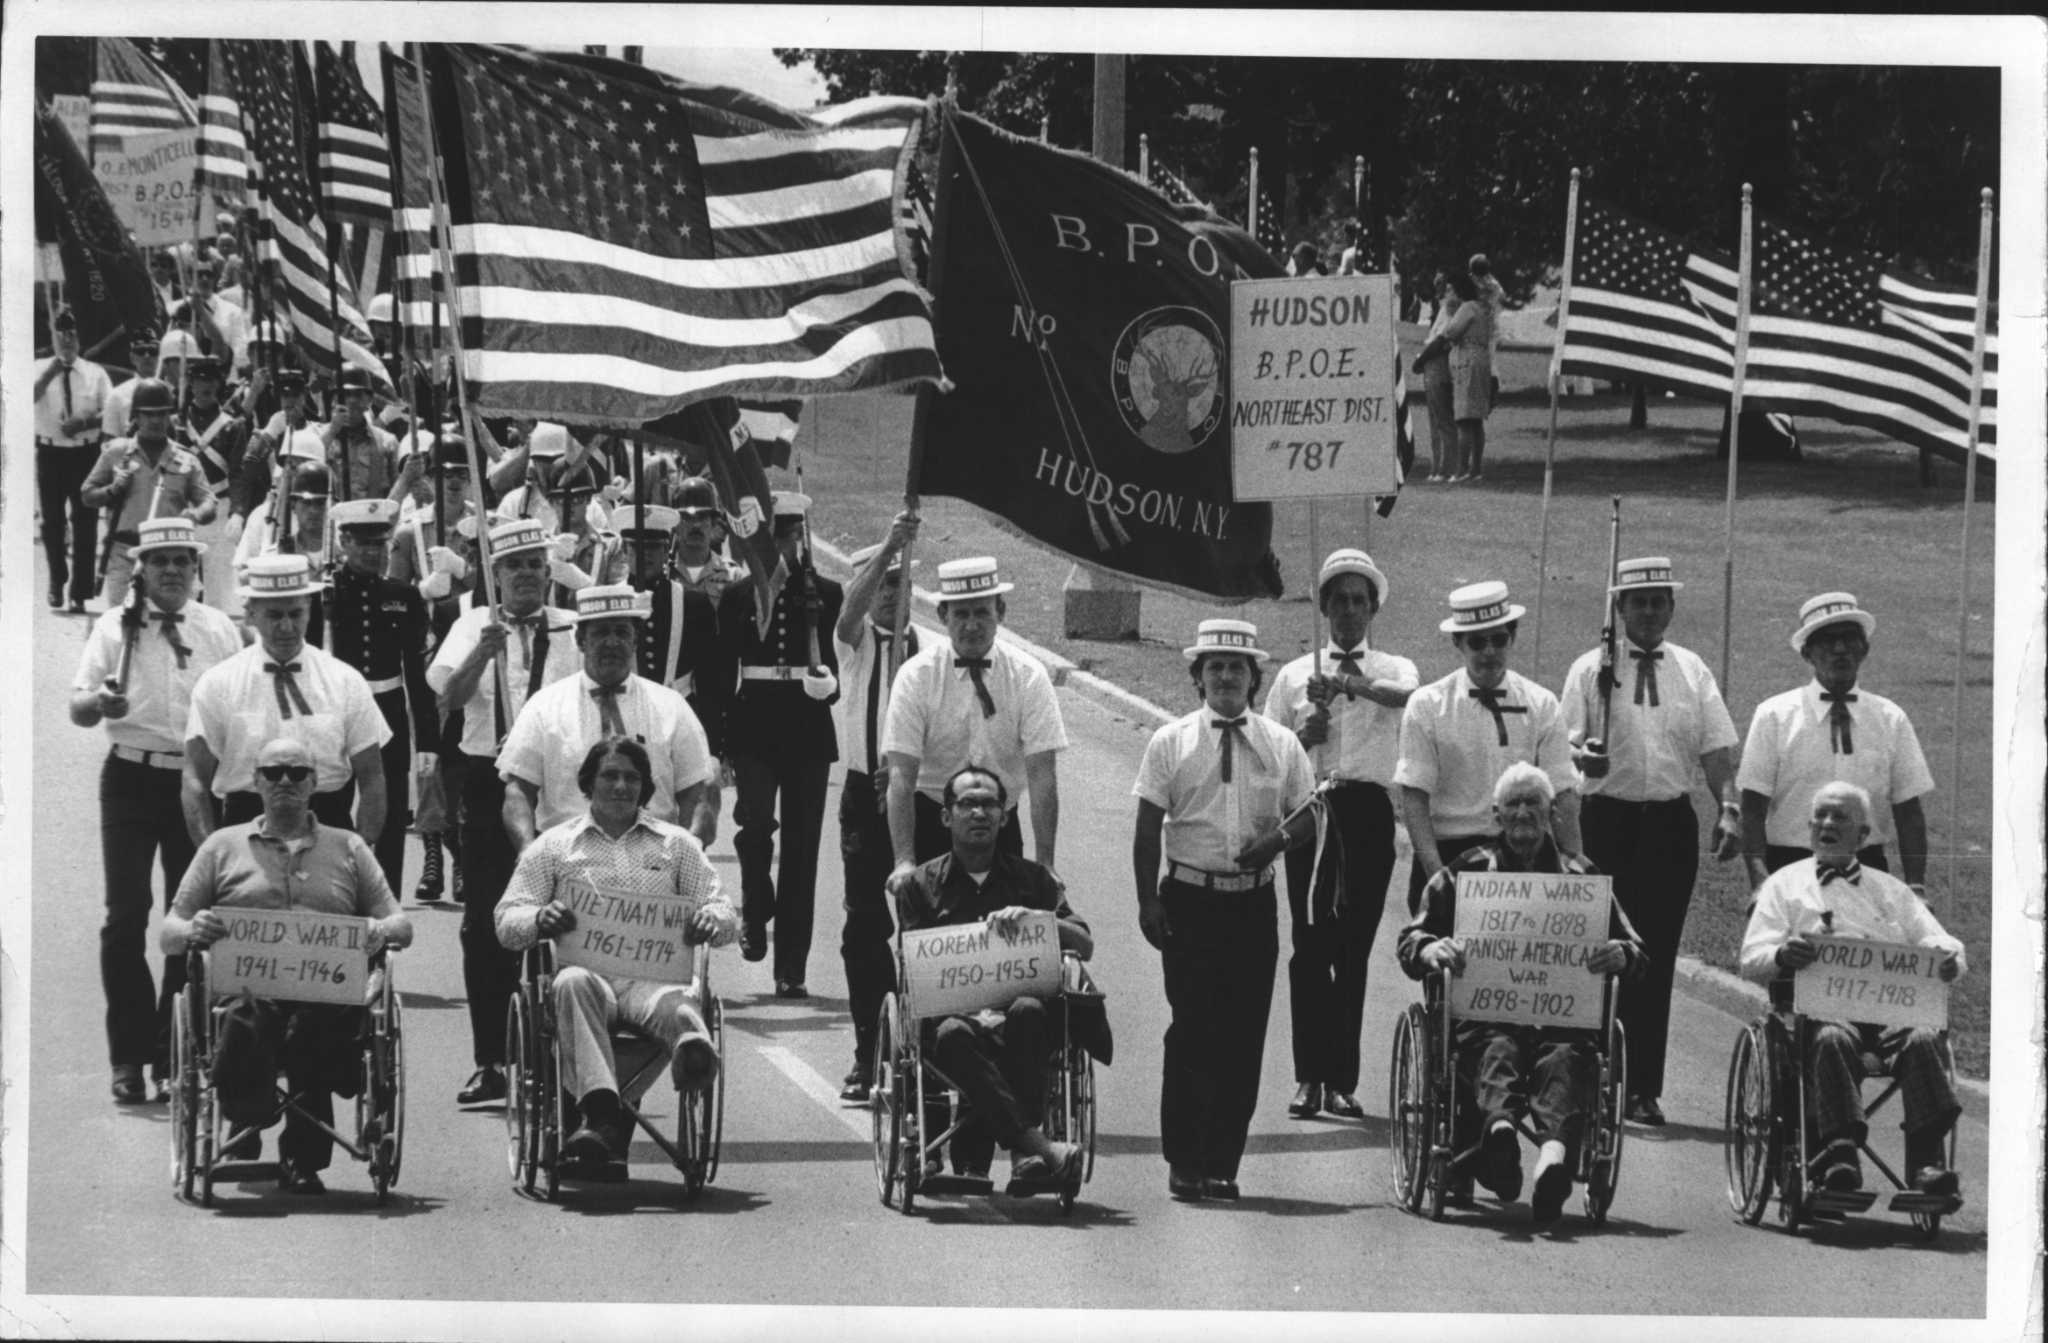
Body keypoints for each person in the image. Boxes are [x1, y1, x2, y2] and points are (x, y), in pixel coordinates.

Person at [162, 737, 414, 1194]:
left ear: (315, 782)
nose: (285, 782)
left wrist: (378, 930)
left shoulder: (349, 847)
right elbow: (169, 931)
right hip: (246, 992)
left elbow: (401, 924)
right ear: (255, 781)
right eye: (273, 773)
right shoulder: (222, 846)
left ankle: (303, 1156)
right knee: (248, 1013)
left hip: (325, 995)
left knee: (317, 1021)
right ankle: (247, 1116)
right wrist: (192, 928)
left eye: (297, 773)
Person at [1396, 762, 1643, 1223]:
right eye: (1514, 804)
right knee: (1497, 1049)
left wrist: (1621, 955)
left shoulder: (1582, 877)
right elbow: (1411, 938)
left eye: (1534, 803)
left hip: (1561, 1022)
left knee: (1565, 1059)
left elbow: (1636, 949)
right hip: (1488, 1020)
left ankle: (1552, 1159)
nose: (1524, 812)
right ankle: (1501, 1138)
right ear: (1497, 815)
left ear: (1551, 812)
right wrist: (1431, 949)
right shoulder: (1466, 872)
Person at [1133, 619, 1318, 1201]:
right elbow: (1147, 826)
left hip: (1252, 905)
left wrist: (1278, 841)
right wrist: (1146, 900)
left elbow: (1311, 814)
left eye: (1237, 668)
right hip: (1189, 900)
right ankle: (1184, 1158)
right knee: (1192, 1030)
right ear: (1198, 677)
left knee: (1243, 1035)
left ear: (1254, 678)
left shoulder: (1281, 744)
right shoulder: (1171, 742)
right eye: (1215, 667)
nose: (1226, 678)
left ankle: (1222, 1161)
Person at [496, 736, 735, 1181]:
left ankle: (694, 1052)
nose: (621, 786)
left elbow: (724, 912)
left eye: (632, 778)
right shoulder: (554, 846)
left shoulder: (678, 845)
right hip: (589, 979)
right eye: (610, 776)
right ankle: (603, 1112)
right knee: (570, 984)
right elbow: (507, 920)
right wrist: (539, 918)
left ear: (645, 787)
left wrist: (710, 920)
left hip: (654, 980)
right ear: (589, 783)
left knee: (682, 1007)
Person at [1560, 557, 1741, 1127]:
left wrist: (1729, 807)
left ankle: (1641, 1087)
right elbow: (1562, 748)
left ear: (1672, 607)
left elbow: (1716, 750)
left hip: (1667, 825)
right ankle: (1589, 1077)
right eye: (1637, 602)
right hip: (1604, 821)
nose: (1648, 611)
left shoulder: (1692, 670)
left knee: (1655, 955)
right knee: (1598, 950)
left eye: (1658, 601)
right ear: (1619, 608)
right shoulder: (1590, 669)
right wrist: (1582, 758)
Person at [69, 517, 243, 1104]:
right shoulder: (115, 627)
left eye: (181, 560)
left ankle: (174, 1053)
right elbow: (78, 705)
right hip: (129, 776)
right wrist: (99, 701)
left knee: (189, 915)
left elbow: (240, 699)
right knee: (125, 916)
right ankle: (128, 1056)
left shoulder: (218, 629)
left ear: (196, 569)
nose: (171, 570)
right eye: (160, 560)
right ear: (140, 568)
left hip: (195, 780)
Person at [1739, 781, 1964, 1196]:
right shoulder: (1784, 885)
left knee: (1923, 1038)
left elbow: (1939, 939)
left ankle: (1926, 1164)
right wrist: (1782, 954)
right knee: (1832, 1038)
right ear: (1809, 828)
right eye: (1820, 816)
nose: (1827, 824)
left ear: (1862, 836)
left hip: (1889, 1013)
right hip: (1818, 1011)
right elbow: (1751, 957)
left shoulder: (1891, 890)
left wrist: (1948, 958)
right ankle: (1837, 1153)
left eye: (1839, 817)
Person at [426, 517, 579, 1108]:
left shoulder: (572, 629)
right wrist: (479, 656)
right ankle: (491, 1059)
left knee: (562, 920)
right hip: (488, 781)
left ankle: (562, 1056)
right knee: (488, 923)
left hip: (558, 788)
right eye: (514, 566)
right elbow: (447, 700)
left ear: (548, 571)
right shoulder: (471, 624)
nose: (526, 575)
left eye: (535, 564)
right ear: (495, 574)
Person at [1262, 549, 1417, 1121]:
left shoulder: (1393, 667)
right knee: (1310, 947)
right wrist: (1304, 734)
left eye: (1359, 600)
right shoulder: (1293, 676)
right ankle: (1308, 1075)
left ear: (1373, 608)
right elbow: (1268, 757)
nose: (1350, 610)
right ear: (1324, 607)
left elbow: (1408, 699)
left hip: (1368, 812)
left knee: (1353, 949)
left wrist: (1351, 684)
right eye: (1340, 600)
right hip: (1313, 809)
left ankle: (1340, 1080)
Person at [887, 766, 1092, 1185]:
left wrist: (1040, 920)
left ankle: (1022, 1154)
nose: (979, 813)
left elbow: (1084, 944)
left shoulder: (1034, 881)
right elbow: (915, 969)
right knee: (952, 1034)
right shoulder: (919, 886)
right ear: (946, 816)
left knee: (1029, 1010)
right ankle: (1036, 1147)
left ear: (1004, 816)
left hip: (1020, 1022)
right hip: (951, 1023)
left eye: (989, 805)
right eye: (967, 804)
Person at [703, 492, 843, 996]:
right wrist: (720, 744)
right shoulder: (742, 596)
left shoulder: (825, 593)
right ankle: (756, 904)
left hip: (807, 727)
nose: (785, 545)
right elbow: (723, 674)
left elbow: (836, 669)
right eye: (777, 537)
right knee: (756, 823)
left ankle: (791, 968)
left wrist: (826, 684)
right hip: (755, 725)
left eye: (793, 535)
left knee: (802, 851)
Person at [1397, 580, 1582, 913]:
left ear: (1513, 637)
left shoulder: (1541, 704)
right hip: (1450, 853)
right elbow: (1414, 797)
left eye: (1499, 640)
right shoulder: (1427, 705)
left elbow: (1563, 793)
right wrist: (1437, 876)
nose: (1489, 652)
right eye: (1477, 642)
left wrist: (1577, 876)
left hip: (1522, 856)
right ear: (1458, 641)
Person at [182, 553, 390, 842]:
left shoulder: (345, 680)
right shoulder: (219, 683)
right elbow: (195, 779)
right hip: (244, 827)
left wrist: (360, 850)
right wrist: (211, 853)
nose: (286, 627)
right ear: (251, 614)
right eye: (274, 615)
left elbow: (372, 777)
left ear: (309, 610)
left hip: (327, 824)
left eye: (295, 614)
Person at [499, 583, 720, 848]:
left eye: (622, 632)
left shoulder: (671, 706)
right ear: (581, 640)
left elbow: (696, 792)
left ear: (635, 641)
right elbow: (518, 790)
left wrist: (688, 853)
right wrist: (527, 851)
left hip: (653, 856)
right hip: (567, 855)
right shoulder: (544, 707)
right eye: (601, 632)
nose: (612, 642)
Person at [883, 557, 1066, 876]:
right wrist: (904, 860)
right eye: (961, 614)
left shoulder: (1029, 676)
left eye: (981, 612)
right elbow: (901, 774)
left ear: (1000, 612)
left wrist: (1045, 863)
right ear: (943, 615)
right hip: (932, 820)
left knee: (1008, 909)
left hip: (999, 823)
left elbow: (1042, 775)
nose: (971, 625)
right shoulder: (916, 676)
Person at [1739, 592, 1934, 891]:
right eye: (1827, 640)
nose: (1840, 649)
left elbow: (1909, 812)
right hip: (1790, 869)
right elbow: (1752, 810)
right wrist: (1760, 884)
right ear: (1807, 653)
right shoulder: (1774, 716)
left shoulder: (1890, 719)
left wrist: (1916, 887)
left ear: (1864, 649)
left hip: (1867, 870)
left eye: (1849, 639)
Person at [832, 512, 929, 1101]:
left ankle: (922, 1051)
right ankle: (869, 1050)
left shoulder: (929, 652)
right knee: (865, 927)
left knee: (923, 923)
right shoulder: (857, 644)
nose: (892, 594)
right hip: (862, 797)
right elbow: (848, 614)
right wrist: (891, 544)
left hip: (915, 798)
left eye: (901, 582)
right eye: (882, 584)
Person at [318, 499, 437, 901]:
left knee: (389, 816)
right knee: (331, 808)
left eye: (379, 543)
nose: (373, 552)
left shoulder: (403, 596)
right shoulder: (326, 595)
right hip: (335, 712)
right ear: (344, 543)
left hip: (387, 712)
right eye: (363, 543)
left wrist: (428, 741)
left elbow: (417, 675)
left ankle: (384, 904)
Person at [81, 378, 219, 610]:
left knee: (168, 620)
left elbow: (209, 501)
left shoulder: (185, 459)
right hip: (125, 552)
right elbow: (87, 494)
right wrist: (112, 489)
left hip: (168, 556)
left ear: (170, 417)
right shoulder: (117, 452)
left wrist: (196, 514)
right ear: (136, 416)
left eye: (162, 414)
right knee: (122, 621)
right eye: (148, 414)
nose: (156, 420)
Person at [37, 310, 116, 613]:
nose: (67, 339)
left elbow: (110, 411)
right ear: (53, 336)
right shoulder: (38, 368)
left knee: (85, 522)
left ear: (80, 338)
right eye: (61, 333)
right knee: (52, 523)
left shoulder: (95, 373)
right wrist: (50, 373)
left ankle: (80, 592)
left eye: (72, 334)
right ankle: (57, 579)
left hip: (85, 453)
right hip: (51, 453)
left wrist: (84, 422)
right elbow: (24, 398)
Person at [173, 356, 252, 611]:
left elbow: (238, 473)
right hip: (183, 506)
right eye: (199, 380)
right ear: (191, 384)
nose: (206, 385)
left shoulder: (232, 426)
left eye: (211, 380)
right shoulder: (177, 424)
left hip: (219, 506)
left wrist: (238, 512)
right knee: (181, 581)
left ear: (219, 384)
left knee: (218, 585)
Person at [1409, 271, 1492, 482]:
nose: (1447, 293)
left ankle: (1461, 469)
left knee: (1464, 419)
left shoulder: (1466, 308)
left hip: (1468, 365)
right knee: (1475, 420)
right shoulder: (1480, 308)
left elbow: (1447, 335)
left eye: (1450, 289)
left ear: (1459, 290)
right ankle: (1475, 469)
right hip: (1480, 362)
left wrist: (1421, 359)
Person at [320, 365, 400, 504]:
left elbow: (396, 490)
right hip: (333, 515)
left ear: (369, 400)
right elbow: (308, 466)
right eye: (346, 394)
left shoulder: (387, 442)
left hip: (374, 514)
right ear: (334, 400)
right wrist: (333, 431)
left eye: (358, 394)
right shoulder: (319, 436)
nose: (352, 400)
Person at [671, 475, 749, 607]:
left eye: (702, 517)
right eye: (688, 518)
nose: (696, 525)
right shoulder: (664, 574)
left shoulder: (732, 576)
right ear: (675, 525)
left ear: (713, 523)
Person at [1414, 272, 1459, 481]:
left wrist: (1421, 359)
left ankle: (1447, 467)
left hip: (1439, 365)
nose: (1441, 290)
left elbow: (1440, 341)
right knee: (1434, 420)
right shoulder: (1442, 308)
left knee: (1443, 419)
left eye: (1446, 287)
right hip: (1431, 366)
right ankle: (1436, 466)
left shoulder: (1452, 310)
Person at [100, 331, 164, 440]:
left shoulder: (171, 392)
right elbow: (109, 441)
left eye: (152, 351)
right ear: (132, 358)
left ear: (160, 356)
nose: (147, 356)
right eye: (141, 351)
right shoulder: (116, 395)